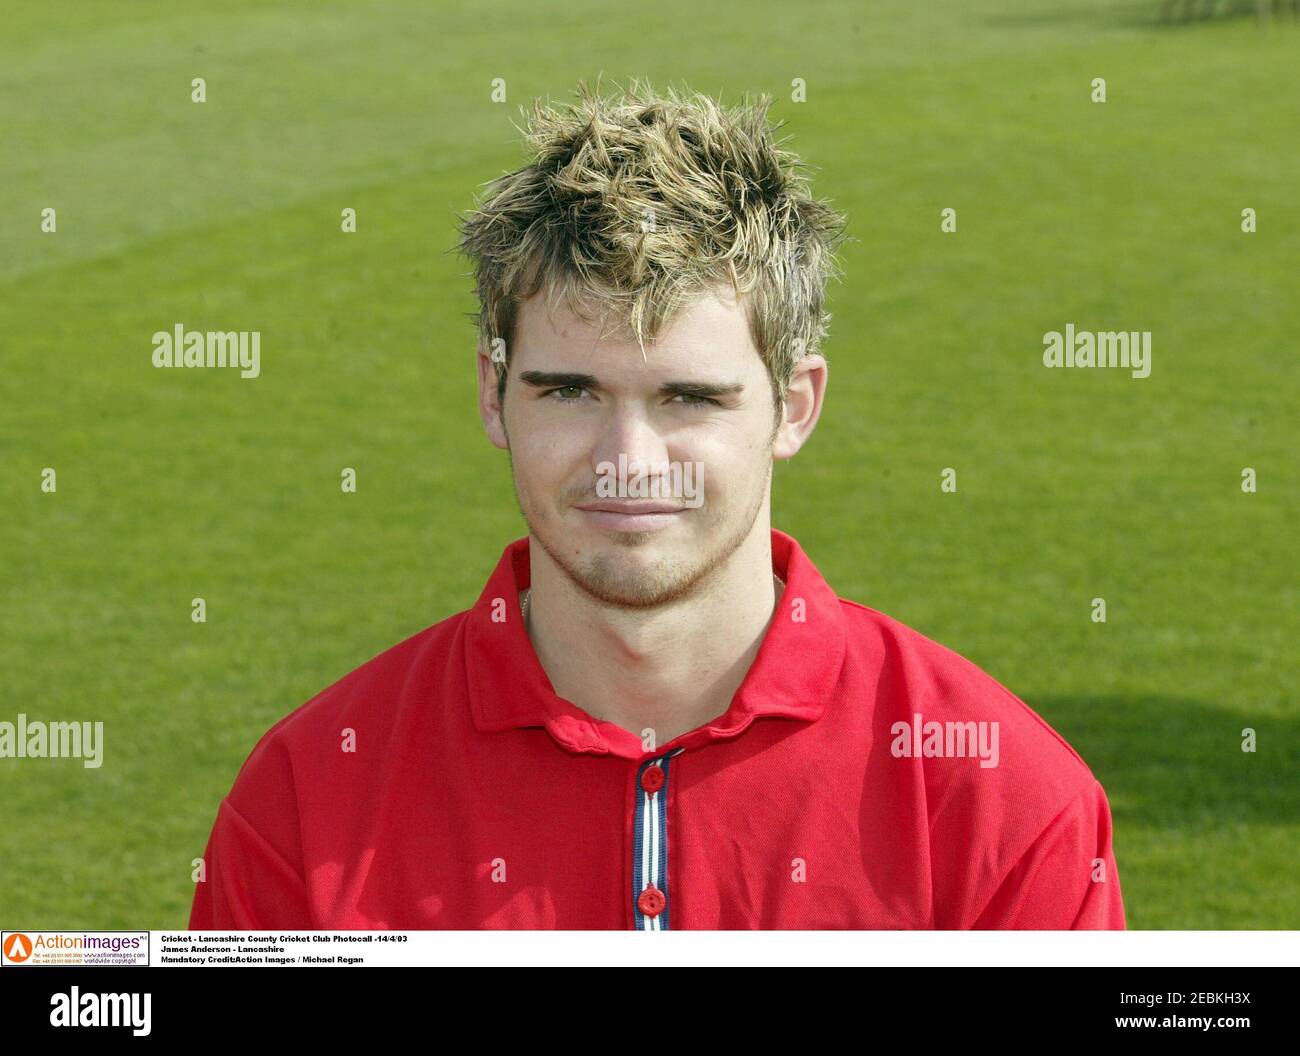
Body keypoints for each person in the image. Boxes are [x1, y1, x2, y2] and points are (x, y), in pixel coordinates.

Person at [189, 78, 1125, 930]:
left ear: (794, 407)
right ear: (492, 396)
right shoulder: (309, 798)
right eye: (569, 392)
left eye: (689, 398)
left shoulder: (1001, 797)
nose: (628, 463)